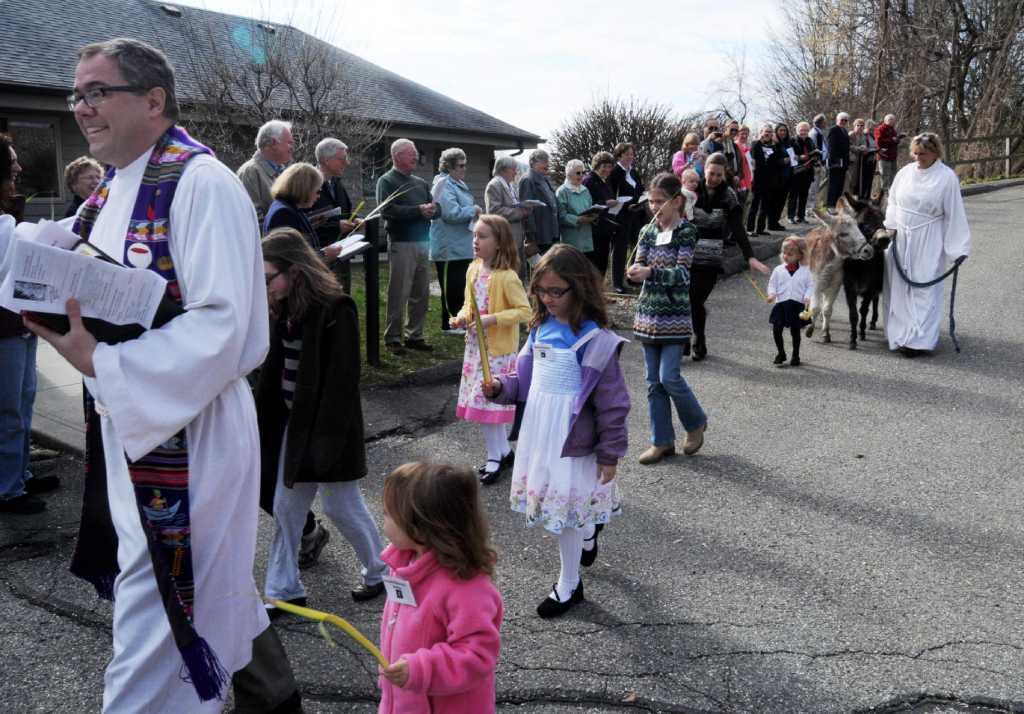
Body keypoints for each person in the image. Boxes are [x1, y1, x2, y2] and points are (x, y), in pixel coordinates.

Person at [26, 37, 299, 712]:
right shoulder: (117, 185)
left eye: (96, 92)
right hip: (135, 422)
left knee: (162, 615)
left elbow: (226, 326)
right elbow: (94, 265)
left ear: (153, 100)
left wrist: (108, 363)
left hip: (192, 432)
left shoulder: (199, 182)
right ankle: (271, 697)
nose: (81, 107)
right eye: (76, 94)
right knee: (202, 596)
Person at [483, 244, 629, 618]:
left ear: (578, 288)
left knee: (565, 513)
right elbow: (526, 382)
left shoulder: (595, 340)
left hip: (574, 442)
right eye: (541, 291)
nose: (547, 299)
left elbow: (613, 404)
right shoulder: (539, 328)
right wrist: (501, 387)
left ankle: (568, 584)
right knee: (563, 507)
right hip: (540, 436)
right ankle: (588, 531)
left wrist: (610, 453)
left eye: (555, 292)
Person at [257, 228, 387, 614]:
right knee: (285, 507)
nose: (263, 285)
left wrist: (323, 447)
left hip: (330, 433)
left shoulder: (336, 308)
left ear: (295, 271)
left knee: (342, 507)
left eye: (267, 277)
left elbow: (342, 385)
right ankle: (283, 589)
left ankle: (381, 571)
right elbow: (271, 371)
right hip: (294, 431)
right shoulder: (281, 308)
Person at [377, 462, 503, 712]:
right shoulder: (404, 563)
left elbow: (477, 656)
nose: (382, 520)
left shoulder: (466, 588)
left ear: (422, 528)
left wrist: (421, 670)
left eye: (387, 514)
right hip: (406, 697)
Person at [627, 172, 708, 465]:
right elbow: (640, 262)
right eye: (651, 201)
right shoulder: (647, 232)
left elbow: (683, 274)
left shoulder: (687, 232)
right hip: (648, 316)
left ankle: (696, 422)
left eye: (660, 202)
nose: (654, 208)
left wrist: (651, 272)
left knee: (669, 376)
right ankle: (661, 441)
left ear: (677, 201)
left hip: (674, 317)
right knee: (653, 383)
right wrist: (635, 272)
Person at [1, 135, 59, 515]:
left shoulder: (9, 210)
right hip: (2, 328)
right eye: (11, 163)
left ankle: (18, 475)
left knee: (23, 403)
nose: (19, 168)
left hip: (20, 323)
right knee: (7, 410)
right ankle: (7, 489)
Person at [449, 215, 530, 484]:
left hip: (496, 352)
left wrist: (492, 319)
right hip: (475, 350)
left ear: (499, 243)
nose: (476, 241)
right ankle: (502, 453)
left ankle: (496, 457)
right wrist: (462, 317)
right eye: (475, 235)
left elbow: (524, 311)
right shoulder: (473, 269)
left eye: (483, 237)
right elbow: (468, 305)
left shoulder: (506, 277)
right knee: (485, 405)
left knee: (489, 403)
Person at [882, 132, 970, 356]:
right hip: (902, 237)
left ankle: (918, 339)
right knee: (899, 287)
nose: (918, 158)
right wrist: (890, 225)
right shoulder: (905, 173)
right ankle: (900, 334)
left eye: (923, 154)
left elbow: (954, 214)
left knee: (924, 287)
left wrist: (957, 249)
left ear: (934, 152)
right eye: (915, 153)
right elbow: (892, 200)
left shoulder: (946, 177)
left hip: (929, 238)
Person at [691, 153, 771, 361]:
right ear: (704, 169)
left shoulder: (728, 196)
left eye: (719, 175)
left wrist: (750, 256)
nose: (714, 178)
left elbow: (737, 228)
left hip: (710, 254)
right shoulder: (692, 189)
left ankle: (698, 338)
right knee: (685, 298)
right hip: (687, 251)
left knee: (697, 299)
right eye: (711, 173)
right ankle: (683, 339)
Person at [377, 138, 437, 355]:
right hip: (402, 243)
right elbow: (388, 211)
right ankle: (393, 337)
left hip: (423, 242)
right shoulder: (387, 181)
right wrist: (418, 210)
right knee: (399, 291)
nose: (415, 157)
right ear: (397, 156)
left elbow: (435, 208)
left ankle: (415, 335)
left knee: (421, 292)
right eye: (411, 153)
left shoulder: (421, 183)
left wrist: (432, 210)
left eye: (415, 153)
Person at [430, 147, 481, 334]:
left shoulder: (457, 183)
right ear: (449, 167)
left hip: (461, 244)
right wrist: (473, 210)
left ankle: (459, 322)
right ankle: (449, 324)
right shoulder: (443, 184)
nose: (464, 169)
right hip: (448, 246)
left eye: (465, 165)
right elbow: (450, 213)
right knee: (451, 287)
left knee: (461, 285)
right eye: (460, 165)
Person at [311, 137, 358, 293]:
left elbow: (345, 212)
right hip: (318, 258)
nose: (346, 163)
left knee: (343, 302)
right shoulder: (309, 184)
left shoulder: (336, 184)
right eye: (342, 159)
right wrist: (336, 226)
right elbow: (306, 222)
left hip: (341, 254)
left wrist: (355, 220)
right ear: (326, 160)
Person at [237, 119, 295, 226]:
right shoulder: (250, 172)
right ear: (273, 143)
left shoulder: (282, 170)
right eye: (289, 143)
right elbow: (253, 220)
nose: (292, 147)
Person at [767, 237, 814, 367]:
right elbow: (772, 284)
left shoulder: (806, 270)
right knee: (776, 329)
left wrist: (808, 296)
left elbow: (811, 285)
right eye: (784, 253)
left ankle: (795, 355)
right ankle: (781, 353)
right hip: (781, 304)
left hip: (797, 305)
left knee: (795, 331)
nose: (786, 256)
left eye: (790, 254)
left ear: (800, 255)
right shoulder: (778, 270)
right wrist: (771, 294)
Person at [484, 156, 531, 278]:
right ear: (504, 169)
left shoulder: (509, 186)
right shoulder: (494, 185)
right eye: (513, 169)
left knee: (517, 273)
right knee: (508, 274)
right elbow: (495, 211)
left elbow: (513, 205)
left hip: (516, 237)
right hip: (505, 237)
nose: (516, 172)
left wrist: (525, 208)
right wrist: (520, 213)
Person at [608, 142, 646, 294]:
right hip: (620, 215)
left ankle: (632, 277)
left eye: (632, 154)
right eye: (627, 154)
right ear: (619, 156)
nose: (630, 157)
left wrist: (644, 198)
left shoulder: (634, 172)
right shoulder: (615, 172)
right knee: (620, 249)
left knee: (636, 247)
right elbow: (611, 195)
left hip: (636, 213)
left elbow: (640, 189)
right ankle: (617, 282)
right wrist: (625, 206)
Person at [264, 162, 323, 248]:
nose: (319, 196)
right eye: (317, 191)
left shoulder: (290, 207)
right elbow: (291, 255)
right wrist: (324, 255)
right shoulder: (283, 213)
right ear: (304, 189)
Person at [582, 151, 618, 278]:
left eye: (610, 167)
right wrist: (605, 203)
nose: (607, 170)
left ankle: (599, 293)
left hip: (606, 227)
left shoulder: (605, 181)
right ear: (597, 165)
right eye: (604, 166)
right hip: (595, 229)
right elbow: (586, 203)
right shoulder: (589, 180)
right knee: (594, 264)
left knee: (602, 263)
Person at [556, 159, 599, 266]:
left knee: (586, 271)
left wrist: (594, 215)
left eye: (583, 173)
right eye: (578, 173)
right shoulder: (562, 191)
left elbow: (590, 207)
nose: (581, 175)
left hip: (587, 239)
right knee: (572, 271)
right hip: (572, 239)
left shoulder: (585, 190)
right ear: (569, 174)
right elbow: (561, 216)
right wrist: (578, 219)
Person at [517, 148, 559, 257]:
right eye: (543, 161)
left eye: (547, 161)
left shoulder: (544, 179)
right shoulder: (527, 180)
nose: (547, 164)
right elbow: (527, 210)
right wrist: (531, 237)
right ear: (533, 163)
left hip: (551, 232)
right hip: (540, 236)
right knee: (541, 268)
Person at [747, 123, 787, 235]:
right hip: (757, 179)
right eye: (766, 132)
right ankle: (750, 229)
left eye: (770, 132)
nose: (768, 134)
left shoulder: (773, 147)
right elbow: (753, 159)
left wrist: (777, 144)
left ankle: (760, 228)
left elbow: (777, 161)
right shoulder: (755, 144)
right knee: (754, 205)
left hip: (769, 181)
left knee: (765, 206)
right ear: (761, 133)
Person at [787, 122, 818, 223]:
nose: (803, 132)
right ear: (797, 130)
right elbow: (791, 156)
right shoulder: (792, 141)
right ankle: (790, 216)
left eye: (805, 130)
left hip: (808, 172)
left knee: (804, 195)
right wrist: (800, 157)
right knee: (793, 195)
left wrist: (815, 156)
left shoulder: (810, 141)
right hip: (796, 172)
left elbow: (813, 153)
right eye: (801, 130)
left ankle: (801, 216)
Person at [875, 114, 905, 194]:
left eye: (893, 120)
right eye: (890, 119)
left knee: (893, 176)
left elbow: (894, 142)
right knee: (885, 176)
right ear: (886, 120)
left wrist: (898, 138)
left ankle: (891, 193)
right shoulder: (880, 129)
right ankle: (883, 196)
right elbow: (878, 142)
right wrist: (892, 140)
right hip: (884, 156)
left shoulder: (892, 130)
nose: (892, 121)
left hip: (893, 156)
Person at [826, 113, 851, 208]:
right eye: (842, 120)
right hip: (835, 163)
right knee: (833, 185)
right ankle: (830, 205)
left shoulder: (844, 131)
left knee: (840, 186)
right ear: (837, 120)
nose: (843, 122)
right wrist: (835, 161)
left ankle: (836, 204)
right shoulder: (833, 130)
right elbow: (831, 147)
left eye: (845, 120)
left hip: (843, 163)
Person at [773, 123, 795, 226]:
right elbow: (772, 160)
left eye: (784, 131)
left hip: (788, 175)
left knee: (782, 200)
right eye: (780, 130)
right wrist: (782, 161)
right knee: (776, 200)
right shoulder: (774, 143)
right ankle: (771, 222)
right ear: (776, 132)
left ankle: (776, 221)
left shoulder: (788, 143)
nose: (783, 132)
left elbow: (792, 156)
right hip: (777, 176)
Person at [847, 118, 872, 198]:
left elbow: (865, 147)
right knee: (849, 180)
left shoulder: (863, 136)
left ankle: (853, 197)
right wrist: (859, 149)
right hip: (851, 160)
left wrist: (865, 150)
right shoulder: (851, 134)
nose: (860, 127)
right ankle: (846, 197)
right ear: (854, 126)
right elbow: (849, 146)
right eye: (858, 125)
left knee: (856, 180)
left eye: (862, 126)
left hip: (859, 161)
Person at [809, 113, 830, 209]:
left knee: (817, 187)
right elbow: (813, 149)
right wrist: (817, 163)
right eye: (824, 122)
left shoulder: (820, 132)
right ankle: (809, 208)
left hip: (822, 162)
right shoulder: (814, 133)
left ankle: (814, 206)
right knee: (813, 187)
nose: (826, 123)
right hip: (816, 164)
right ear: (820, 123)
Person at [861, 120, 879, 199]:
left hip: (872, 159)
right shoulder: (863, 135)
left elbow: (874, 146)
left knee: (870, 179)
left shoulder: (872, 136)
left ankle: (867, 196)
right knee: (864, 179)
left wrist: (877, 149)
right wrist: (873, 150)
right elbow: (864, 147)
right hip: (865, 159)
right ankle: (862, 196)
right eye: (872, 128)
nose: (873, 130)